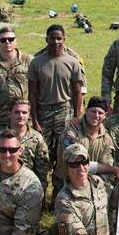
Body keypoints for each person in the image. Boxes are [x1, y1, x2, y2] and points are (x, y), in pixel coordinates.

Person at [28, 24, 86, 170]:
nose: (55, 42)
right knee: (42, 151)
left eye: (59, 38)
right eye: (52, 38)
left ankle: (61, 183)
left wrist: (77, 116)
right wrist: (34, 121)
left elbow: (77, 92)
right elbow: (32, 94)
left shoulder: (73, 62)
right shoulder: (36, 62)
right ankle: (41, 182)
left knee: (66, 149)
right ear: (46, 39)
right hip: (43, 111)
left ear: (64, 39)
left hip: (64, 111)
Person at [0, 99, 51, 193]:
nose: (21, 116)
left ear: (29, 115)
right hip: (1, 185)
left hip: (26, 186)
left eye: (24, 112)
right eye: (17, 112)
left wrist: (41, 192)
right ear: (10, 114)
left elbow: (42, 170)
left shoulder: (37, 139)